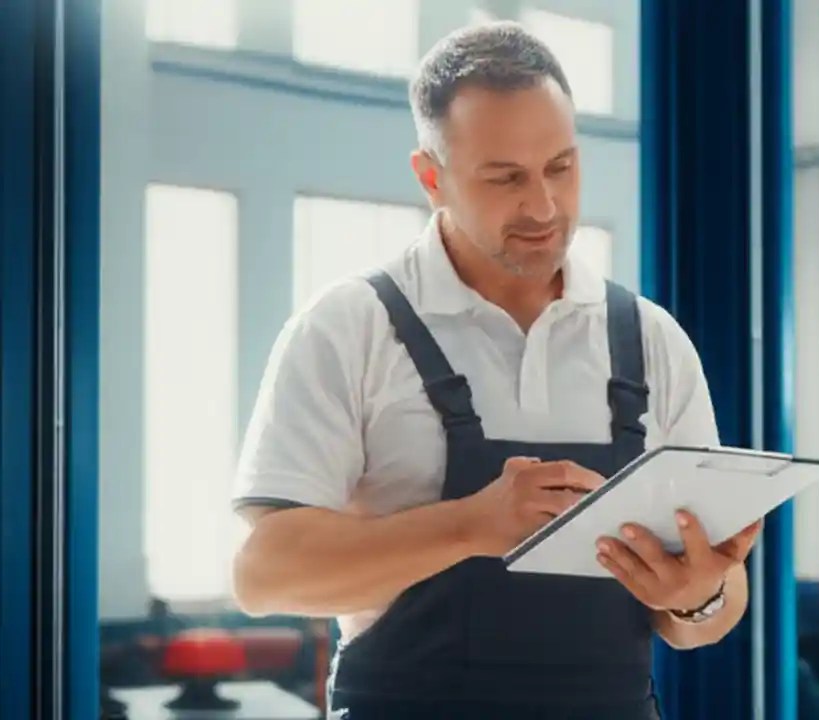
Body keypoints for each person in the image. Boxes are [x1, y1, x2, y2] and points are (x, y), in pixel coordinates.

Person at [230, 22, 759, 719]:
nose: (542, 207)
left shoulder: (653, 341)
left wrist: (694, 594)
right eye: (505, 178)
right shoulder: (348, 329)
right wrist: (470, 527)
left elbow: (713, 609)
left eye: (561, 168)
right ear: (430, 177)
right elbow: (265, 575)